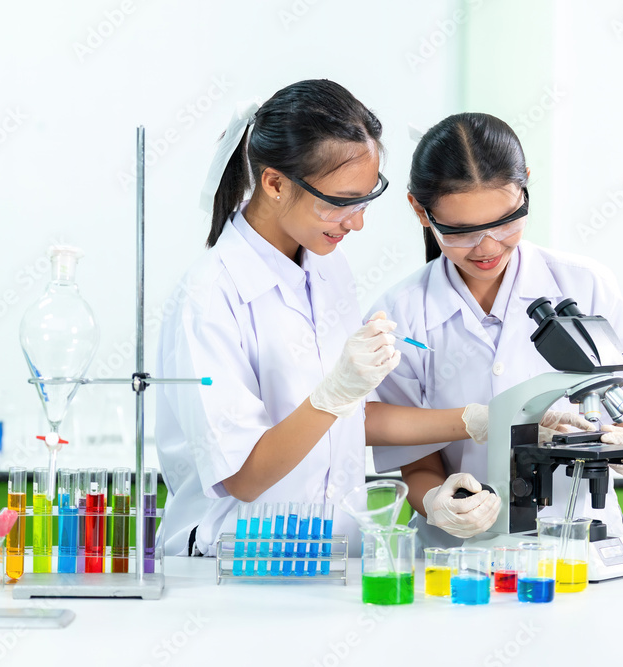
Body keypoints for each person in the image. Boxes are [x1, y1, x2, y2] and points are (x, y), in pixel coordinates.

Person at [156, 81, 506, 557]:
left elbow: (352, 419)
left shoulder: (326, 267)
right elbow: (242, 475)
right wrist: (333, 394)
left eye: (366, 198)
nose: (356, 222)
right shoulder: (211, 295)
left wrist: (476, 420)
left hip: (334, 554)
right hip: (237, 560)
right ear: (275, 184)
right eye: (341, 202)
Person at [368, 112, 623, 547]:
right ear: (420, 210)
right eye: (461, 230)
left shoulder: (584, 284)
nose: (489, 246)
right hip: (458, 556)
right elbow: (417, 462)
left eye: (506, 220)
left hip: (578, 542)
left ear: (526, 184)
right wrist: (438, 501)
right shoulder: (400, 313)